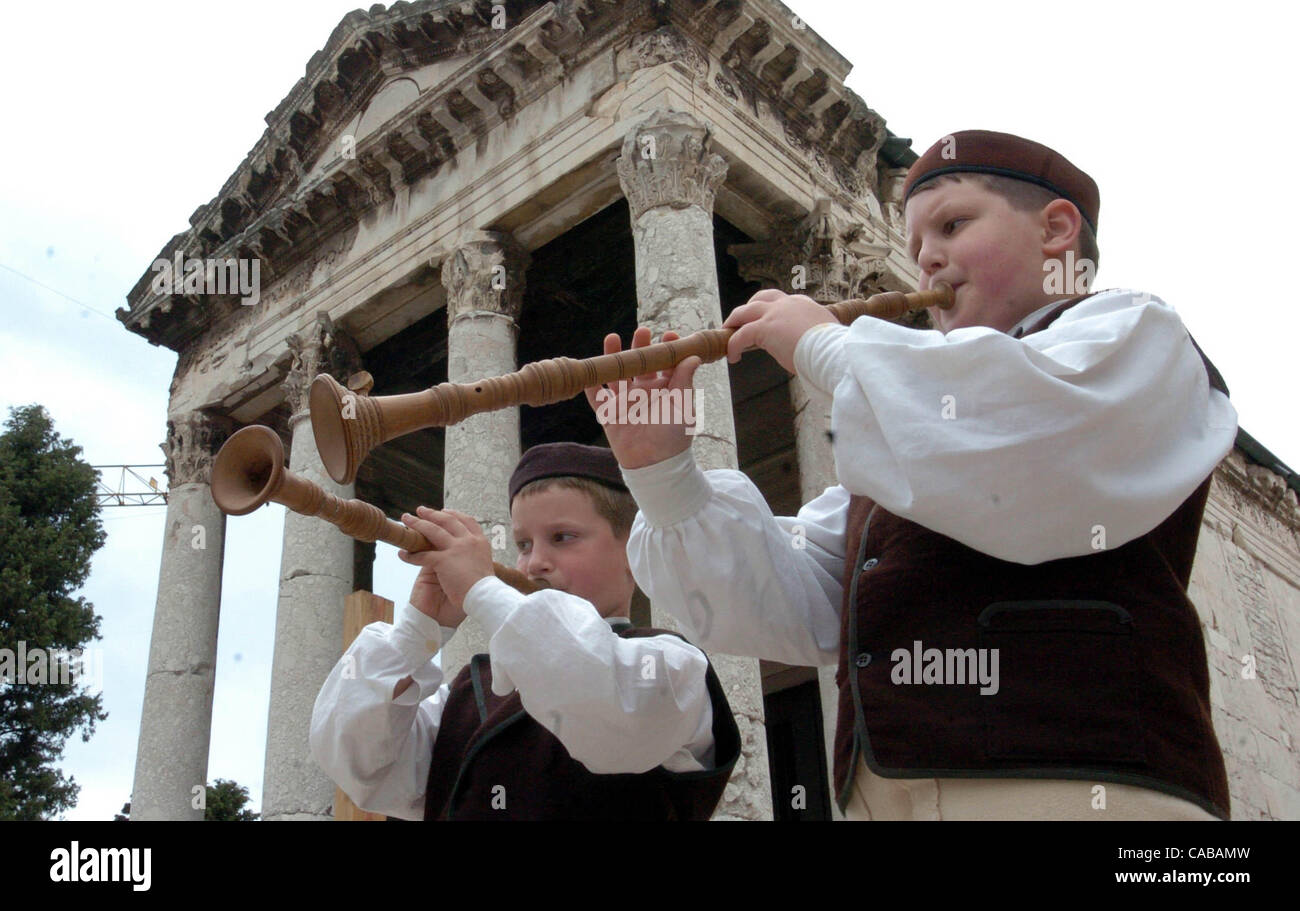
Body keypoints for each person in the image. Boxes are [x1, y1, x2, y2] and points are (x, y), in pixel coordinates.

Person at [593, 130, 1238, 820]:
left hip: (1074, 784)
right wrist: (664, 474)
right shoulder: (908, 431)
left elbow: (1023, 452)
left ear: (1055, 231)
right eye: (915, 247)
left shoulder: (1137, 331)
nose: (927, 258)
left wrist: (825, 345)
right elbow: (802, 600)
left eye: (953, 225)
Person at [309, 442, 740, 820]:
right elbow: (359, 765)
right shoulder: (465, 694)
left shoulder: (668, 667)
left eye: (563, 537)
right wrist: (417, 631)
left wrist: (482, 589)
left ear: (634, 550)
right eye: (523, 545)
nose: (534, 564)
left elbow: (591, 685)